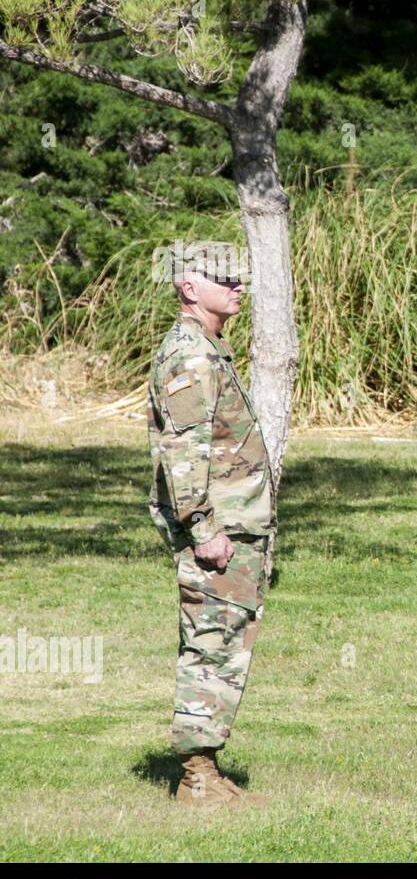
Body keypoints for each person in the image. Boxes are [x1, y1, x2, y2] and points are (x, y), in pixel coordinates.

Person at [147, 259, 274, 807]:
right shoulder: (192, 355)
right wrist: (202, 529)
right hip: (218, 530)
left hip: (234, 526)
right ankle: (196, 779)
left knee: (223, 643)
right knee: (210, 645)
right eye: (225, 280)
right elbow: (183, 449)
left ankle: (207, 770)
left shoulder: (207, 347)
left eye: (239, 278)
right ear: (190, 287)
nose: (237, 287)